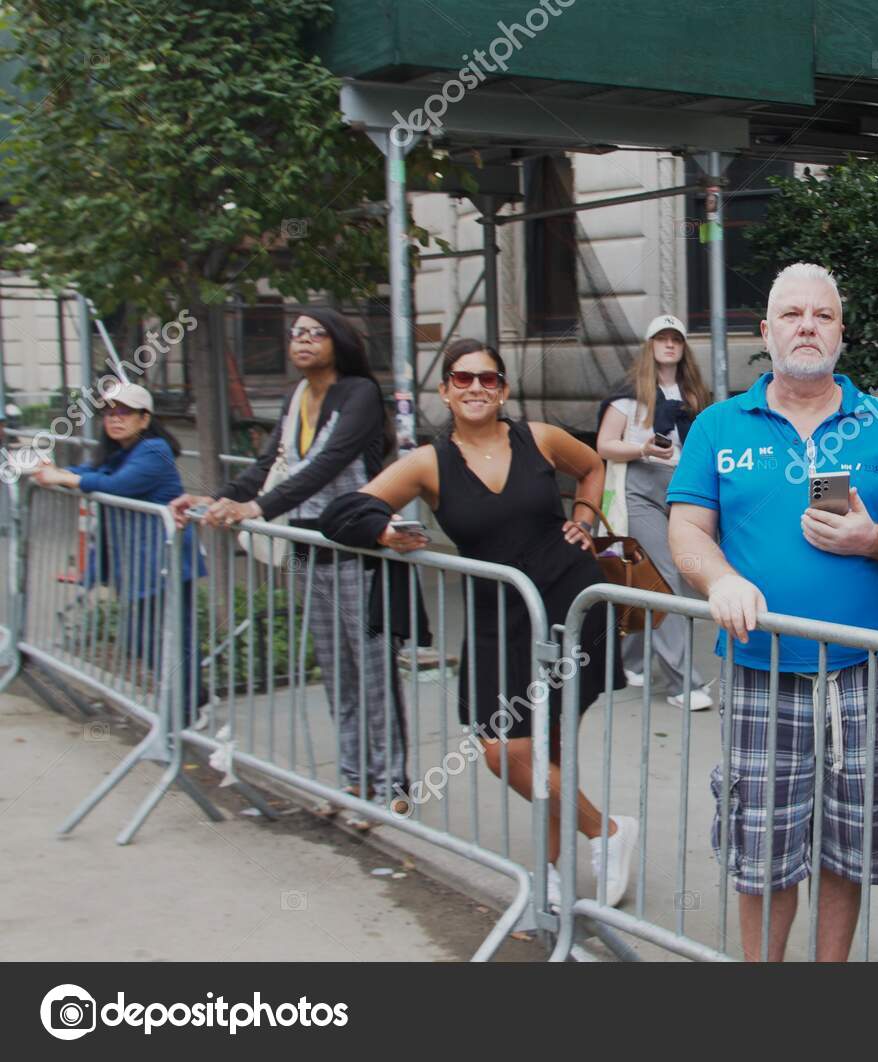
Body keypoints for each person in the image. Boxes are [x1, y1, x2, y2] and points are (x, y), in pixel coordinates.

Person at [667, 262, 878, 961]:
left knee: (852, 840)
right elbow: (685, 532)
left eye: (821, 315)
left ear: (842, 333)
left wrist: (872, 538)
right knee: (761, 841)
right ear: (765, 331)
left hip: (863, 669)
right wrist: (720, 579)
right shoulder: (717, 424)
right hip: (763, 667)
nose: (806, 326)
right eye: (791, 314)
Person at [318, 338, 638, 908]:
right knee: (502, 749)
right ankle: (606, 831)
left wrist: (585, 517)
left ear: (503, 389)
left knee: (549, 745)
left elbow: (593, 465)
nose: (475, 388)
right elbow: (343, 513)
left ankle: (549, 877)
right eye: (462, 379)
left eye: (488, 379)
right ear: (444, 390)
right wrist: (386, 533)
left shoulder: (538, 437)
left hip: (568, 600)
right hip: (497, 615)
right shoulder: (428, 461)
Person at [171, 308, 410, 820]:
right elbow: (269, 464)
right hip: (308, 548)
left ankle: (393, 785)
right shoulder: (297, 397)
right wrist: (217, 500)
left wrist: (256, 508)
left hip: (359, 549)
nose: (301, 341)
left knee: (372, 671)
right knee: (337, 672)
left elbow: (329, 464)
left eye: (314, 333)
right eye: (295, 333)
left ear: (338, 341)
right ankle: (354, 780)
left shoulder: (360, 393)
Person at [34, 382, 207, 724]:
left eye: (124, 412)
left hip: (165, 560)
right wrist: (60, 474)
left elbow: (117, 485)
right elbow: (95, 473)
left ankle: (189, 710)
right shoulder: (119, 452)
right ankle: (190, 698)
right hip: (140, 562)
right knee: (142, 637)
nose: (115, 419)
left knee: (173, 635)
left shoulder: (154, 449)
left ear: (145, 419)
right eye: (109, 413)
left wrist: (63, 478)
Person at [595, 313, 714, 710]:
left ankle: (629, 660)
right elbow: (605, 444)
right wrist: (642, 448)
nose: (669, 345)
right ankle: (683, 683)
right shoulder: (630, 393)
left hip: (681, 489)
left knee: (659, 574)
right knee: (663, 576)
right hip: (639, 490)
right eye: (661, 338)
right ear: (650, 346)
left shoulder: (693, 393)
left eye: (676, 339)